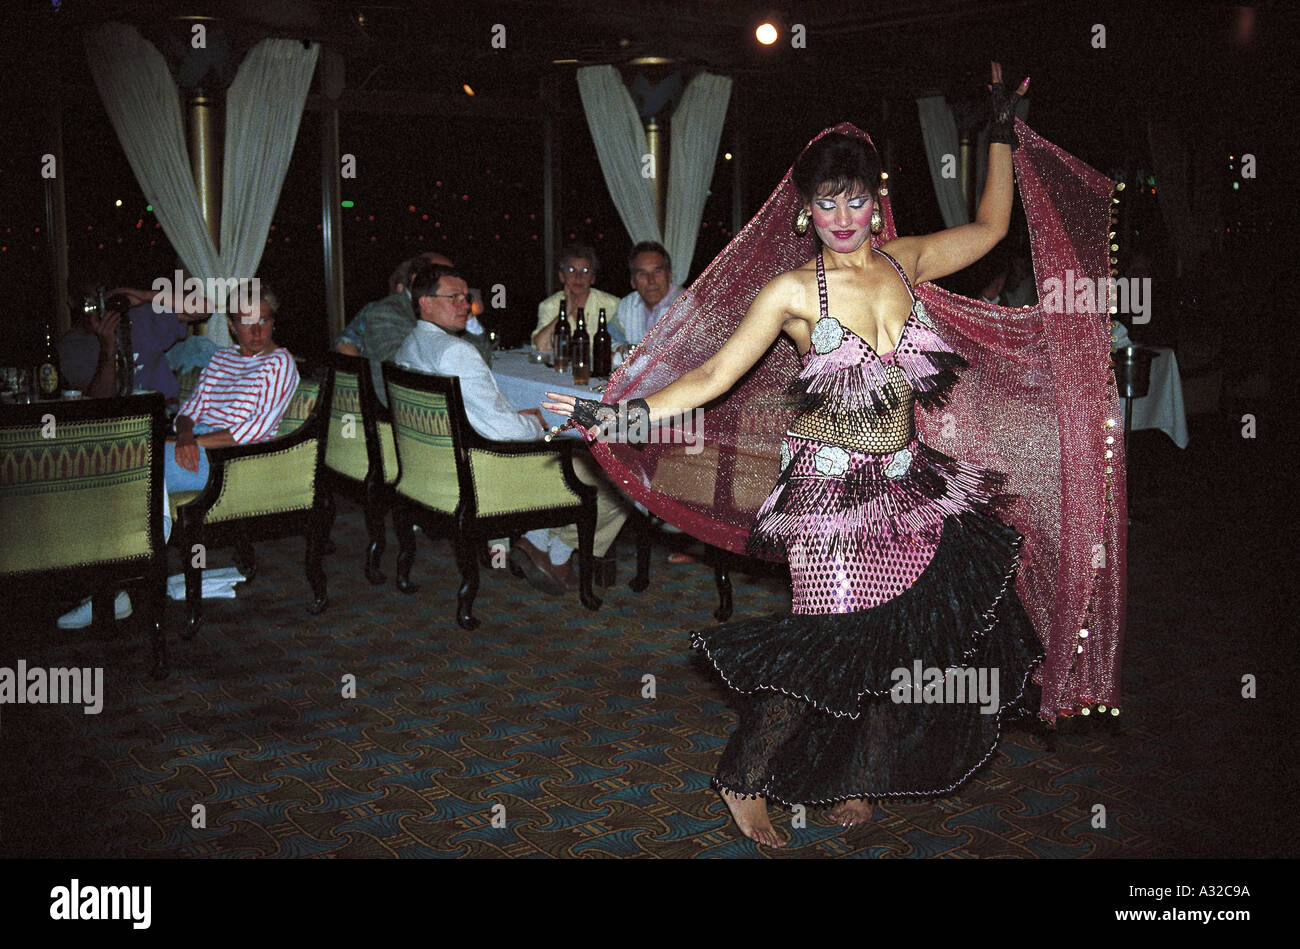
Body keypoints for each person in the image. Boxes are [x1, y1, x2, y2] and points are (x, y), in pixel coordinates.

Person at [546, 64, 1125, 847]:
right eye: (827, 201)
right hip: (827, 501)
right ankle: (741, 778)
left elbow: (991, 228)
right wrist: (613, 415)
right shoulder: (792, 293)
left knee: (890, 636)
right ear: (805, 212)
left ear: (875, 201)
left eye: (856, 198)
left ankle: (858, 771)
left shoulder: (904, 262)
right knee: (831, 639)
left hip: (909, 487)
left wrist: (997, 132)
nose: (843, 215)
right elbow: (713, 376)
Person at [396, 261, 628, 595]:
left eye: (466, 297)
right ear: (425, 303)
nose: (466, 304)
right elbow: (507, 431)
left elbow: (468, 413)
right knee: (614, 472)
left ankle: (535, 543)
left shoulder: (411, 345)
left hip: (433, 466)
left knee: (571, 441)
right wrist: (536, 424)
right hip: (481, 471)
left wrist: (519, 417)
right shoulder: (455, 353)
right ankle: (555, 553)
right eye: (454, 298)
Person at [167, 285, 299, 494]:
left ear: (273, 322)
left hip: (233, 455)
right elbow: (190, 409)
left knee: (148, 475)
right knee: (134, 462)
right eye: (246, 322)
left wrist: (195, 442)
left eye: (263, 321)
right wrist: (184, 436)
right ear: (232, 325)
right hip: (198, 441)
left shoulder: (279, 361)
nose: (257, 332)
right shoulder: (222, 358)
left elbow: (259, 427)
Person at [58, 280, 210, 401]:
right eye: (87, 300)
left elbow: (205, 308)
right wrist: (108, 349)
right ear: (72, 302)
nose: (96, 307)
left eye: (100, 298)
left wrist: (145, 296)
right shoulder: (71, 346)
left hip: (162, 410)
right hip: (117, 423)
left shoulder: (138, 318)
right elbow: (99, 402)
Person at [531, 244, 623, 353]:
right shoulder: (549, 305)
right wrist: (565, 312)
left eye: (585, 271)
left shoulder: (612, 304)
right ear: (561, 276)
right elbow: (541, 346)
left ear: (592, 278)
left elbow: (627, 344)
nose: (578, 277)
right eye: (571, 270)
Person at [610, 242, 683, 347]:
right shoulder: (628, 305)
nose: (651, 280)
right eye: (642, 274)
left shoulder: (686, 305)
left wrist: (624, 353)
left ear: (669, 275)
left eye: (657, 272)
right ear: (633, 281)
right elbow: (608, 342)